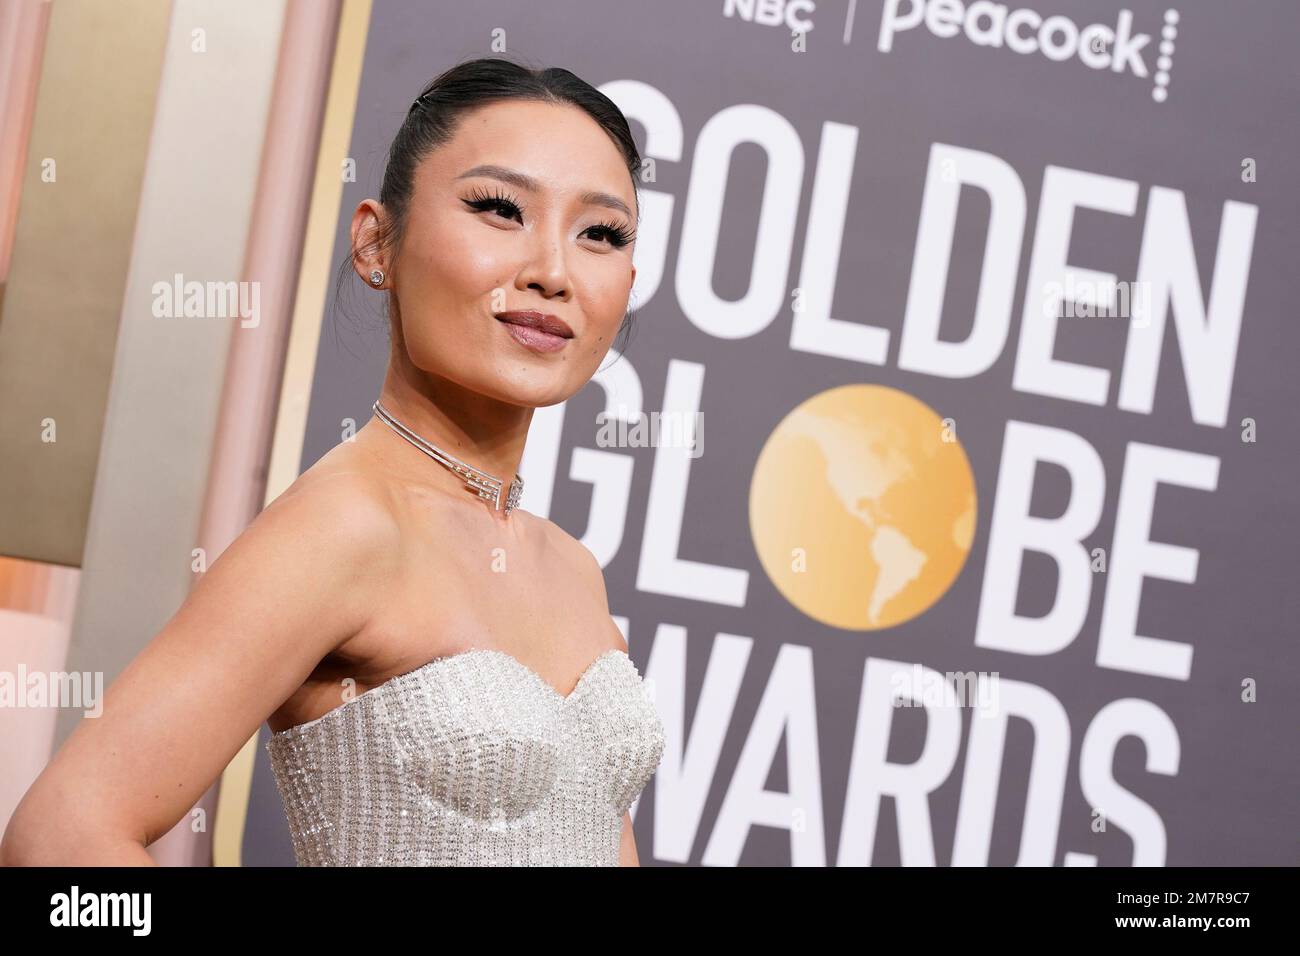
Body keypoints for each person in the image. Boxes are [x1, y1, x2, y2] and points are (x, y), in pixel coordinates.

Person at [1, 57, 664, 866]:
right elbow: (59, 839)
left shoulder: (572, 569)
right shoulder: (342, 528)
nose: (553, 273)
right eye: (500, 208)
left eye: (600, 233)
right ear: (377, 242)